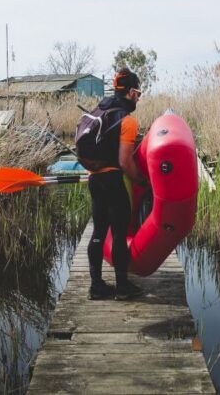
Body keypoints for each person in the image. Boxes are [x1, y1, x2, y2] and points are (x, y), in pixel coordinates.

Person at [86, 68, 148, 301]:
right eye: (138, 93)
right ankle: (122, 287)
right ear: (130, 92)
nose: (138, 98)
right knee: (119, 233)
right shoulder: (127, 120)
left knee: (99, 232)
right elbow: (124, 162)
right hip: (112, 181)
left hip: (95, 179)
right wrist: (140, 179)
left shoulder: (98, 112)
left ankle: (96, 286)